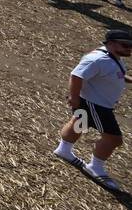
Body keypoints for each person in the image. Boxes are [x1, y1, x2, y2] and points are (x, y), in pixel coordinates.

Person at [55, 28, 132, 190]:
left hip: (95, 103)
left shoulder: (112, 56)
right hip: (96, 105)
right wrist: (74, 97)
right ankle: (95, 167)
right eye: (125, 45)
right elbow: (77, 75)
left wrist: (125, 78)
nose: (129, 48)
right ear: (110, 43)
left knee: (80, 124)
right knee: (114, 139)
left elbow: (110, 72)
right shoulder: (98, 59)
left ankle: (64, 150)